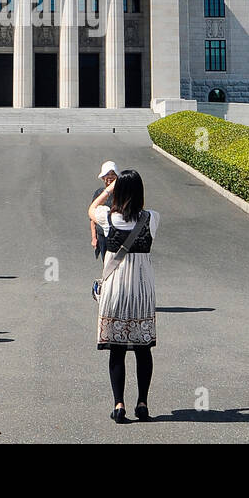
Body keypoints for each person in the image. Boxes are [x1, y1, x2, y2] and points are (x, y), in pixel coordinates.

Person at [88, 168, 158, 424]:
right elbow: (142, 210)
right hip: (142, 289)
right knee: (143, 349)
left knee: (116, 350)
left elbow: (91, 209)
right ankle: (142, 402)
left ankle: (119, 404)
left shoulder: (107, 217)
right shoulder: (151, 218)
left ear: (117, 191)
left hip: (116, 287)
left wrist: (109, 189)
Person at [90, 161, 118, 259]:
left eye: (113, 174)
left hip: (117, 236)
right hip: (102, 236)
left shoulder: (122, 193)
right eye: (107, 174)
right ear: (103, 177)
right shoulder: (99, 193)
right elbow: (92, 217)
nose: (110, 177)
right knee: (105, 262)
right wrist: (94, 237)